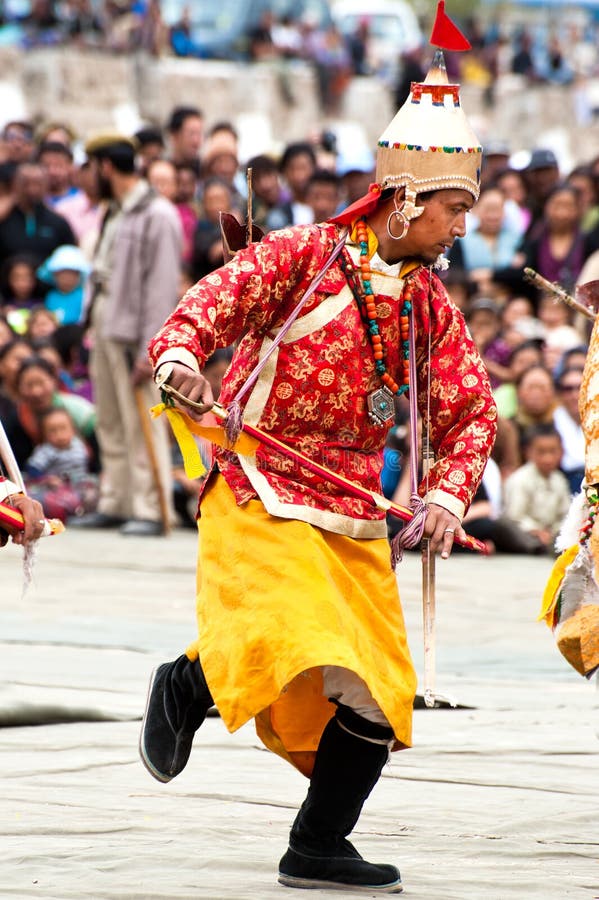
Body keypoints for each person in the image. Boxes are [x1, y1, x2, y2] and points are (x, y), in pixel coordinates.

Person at [138, 39, 497, 895]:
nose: (459, 226)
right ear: (402, 199)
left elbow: (470, 408)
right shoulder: (300, 256)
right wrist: (181, 363)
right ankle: (188, 682)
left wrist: (448, 493)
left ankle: (316, 846)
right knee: (293, 631)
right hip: (261, 480)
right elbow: (200, 314)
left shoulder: (425, 302)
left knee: (380, 691)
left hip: (352, 508)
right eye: (452, 207)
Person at [70, 134, 182, 536]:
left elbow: (161, 288)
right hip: (106, 326)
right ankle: (116, 501)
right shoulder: (115, 211)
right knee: (111, 422)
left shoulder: (158, 214)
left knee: (141, 424)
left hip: (136, 335)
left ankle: (150, 508)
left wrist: (150, 348)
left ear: (105, 167)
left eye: (91, 168)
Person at [503, 423, 571, 553]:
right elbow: (515, 516)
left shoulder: (559, 480)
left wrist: (554, 531)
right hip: (527, 532)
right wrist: (536, 530)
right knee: (504, 525)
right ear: (528, 452)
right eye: (541, 452)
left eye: (553, 452)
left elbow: (564, 514)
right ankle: (538, 547)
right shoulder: (520, 479)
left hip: (551, 532)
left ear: (561, 452)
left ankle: (550, 545)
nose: (548, 458)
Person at [36, 244, 90, 325]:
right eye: (62, 275)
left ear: (78, 276)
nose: (66, 279)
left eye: (71, 275)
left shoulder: (84, 295)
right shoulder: (51, 296)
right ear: (54, 276)